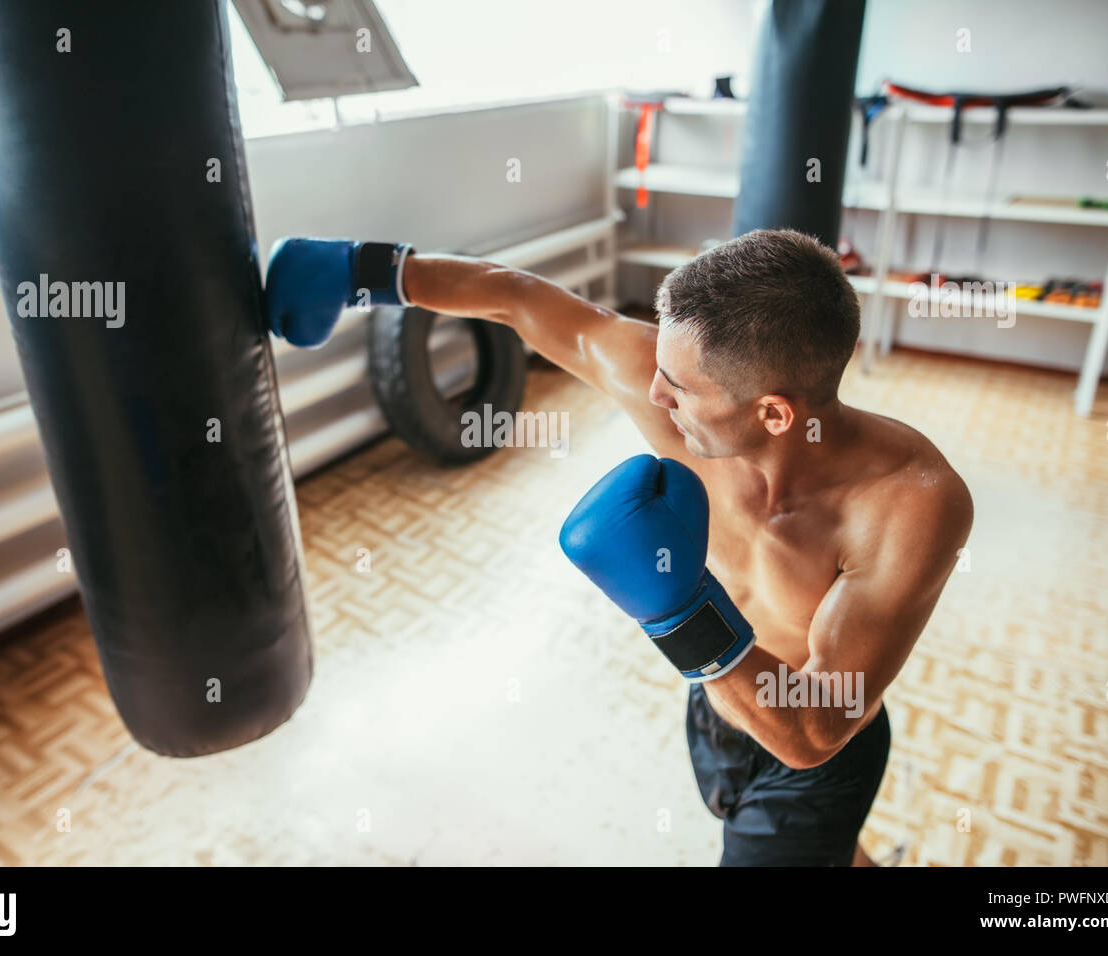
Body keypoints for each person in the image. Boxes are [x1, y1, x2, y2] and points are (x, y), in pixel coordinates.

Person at [265, 228, 974, 865]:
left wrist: (680, 616)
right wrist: (365, 270)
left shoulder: (911, 502)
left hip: (813, 760)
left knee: (808, 838)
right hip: (718, 706)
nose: (653, 394)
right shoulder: (671, 379)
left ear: (775, 413)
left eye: (681, 387)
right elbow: (516, 299)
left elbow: (812, 730)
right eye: (659, 368)